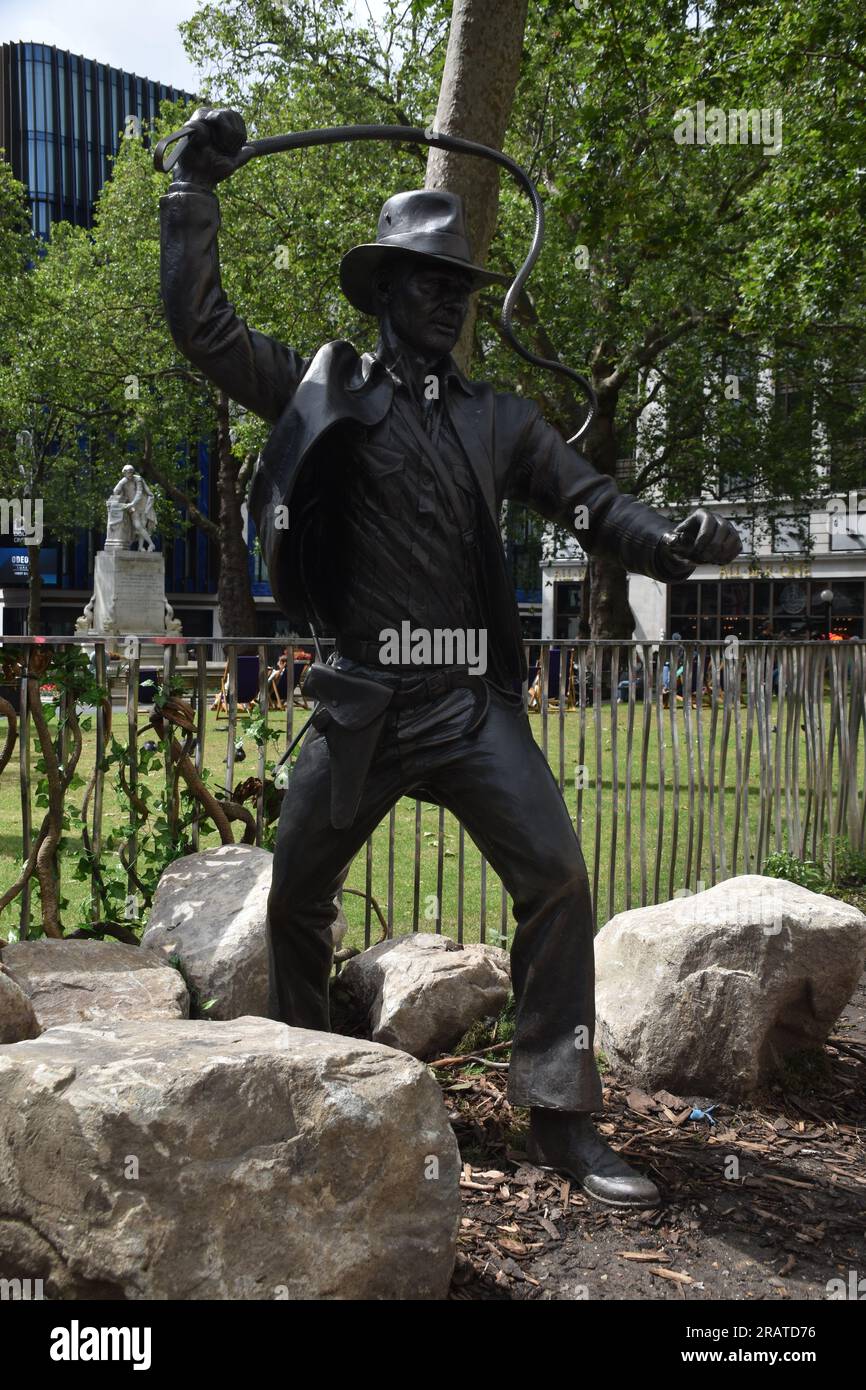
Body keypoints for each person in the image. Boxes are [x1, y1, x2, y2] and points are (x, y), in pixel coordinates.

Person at [159, 107, 742, 1207]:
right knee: (294, 893)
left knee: (557, 874)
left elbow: (591, 499)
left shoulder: (500, 420)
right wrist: (192, 191)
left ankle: (561, 1114)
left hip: (467, 703)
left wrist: (669, 542)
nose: (451, 303)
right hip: (364, 701)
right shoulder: (324, 389)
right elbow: (203, 327)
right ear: (382, 292)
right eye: (430, 284)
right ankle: (307, 1074)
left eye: (463, 288)